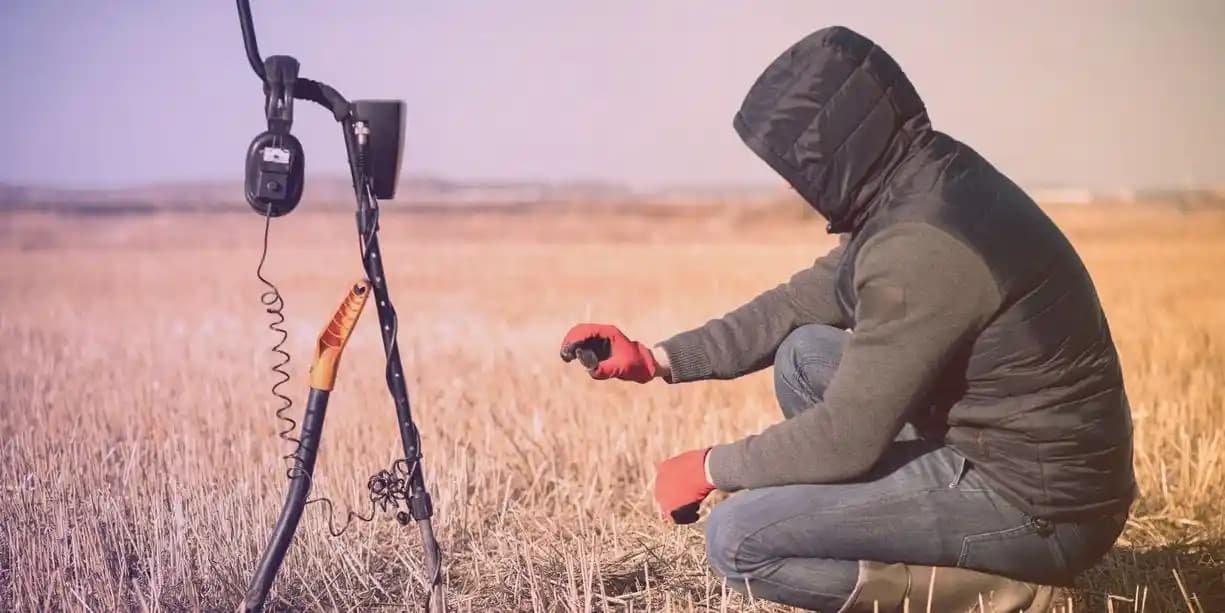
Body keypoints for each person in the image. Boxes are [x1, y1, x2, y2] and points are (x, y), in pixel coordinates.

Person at [559, 26, 1135, 613]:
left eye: (794, 162)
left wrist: (708, 467)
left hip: (1042, 508)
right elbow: (799, 303)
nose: (789, 182)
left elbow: (845, 439)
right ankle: (890, 530)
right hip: (1006, 454)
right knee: (803, 354)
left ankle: (1012, 598)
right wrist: (657, 359)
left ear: (835, 146)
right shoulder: (927, 182)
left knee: (738, 540)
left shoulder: (920, 245)